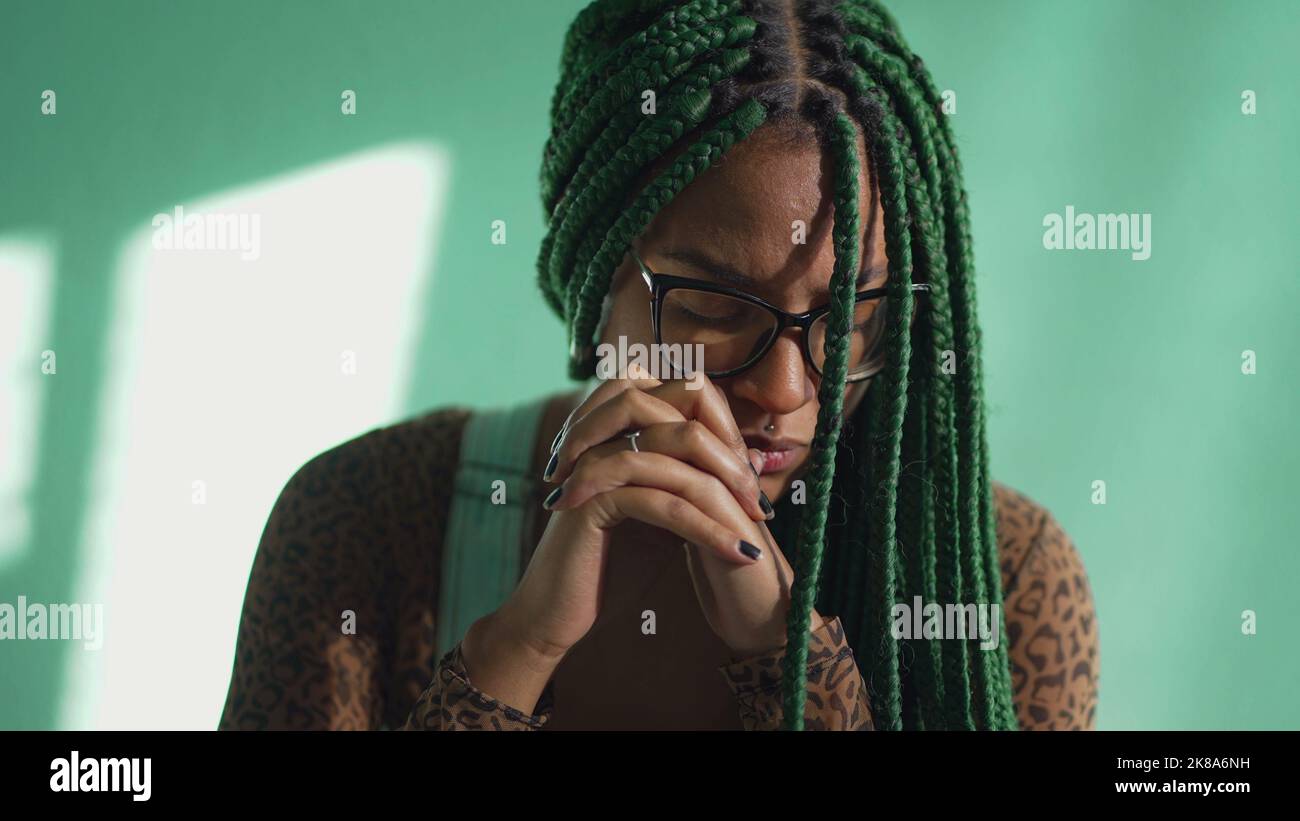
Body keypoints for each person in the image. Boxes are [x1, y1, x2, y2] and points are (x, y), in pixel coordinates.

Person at [218, 0, 1098, 731]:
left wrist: (785, 661)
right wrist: (515, 653)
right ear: (595, 271)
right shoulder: (369, 522)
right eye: (715, 307)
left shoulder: (1002, 582)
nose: (787, 391)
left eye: (851, 316)